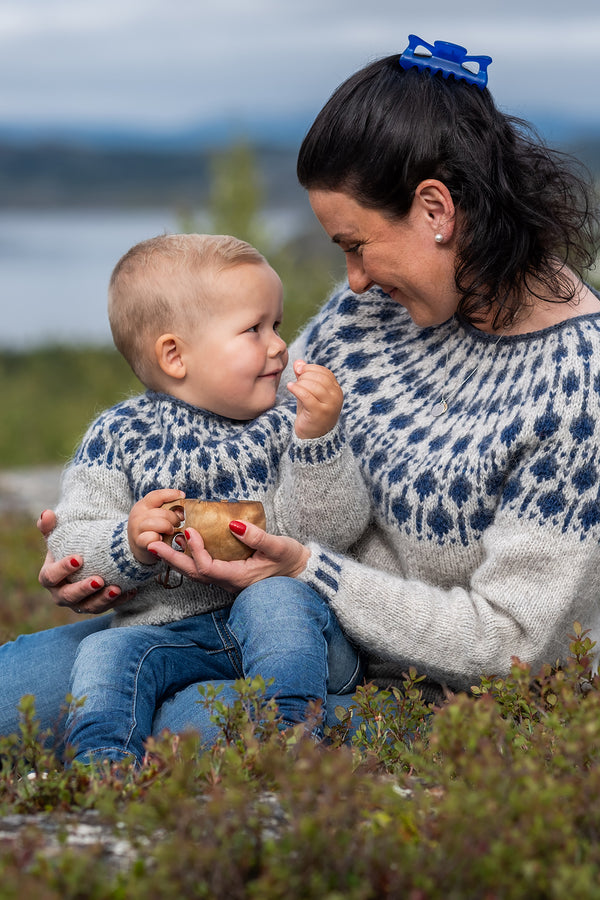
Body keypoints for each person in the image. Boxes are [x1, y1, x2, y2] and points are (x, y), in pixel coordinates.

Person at [8, 33, 600, 746]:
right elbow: (250, 439)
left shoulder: (578, 387)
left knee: (173, 724)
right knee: (18, 691)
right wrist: (114, 552)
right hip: (230, 620)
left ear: (436, 210)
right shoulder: (371, 313)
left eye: (356, 245)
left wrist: (305, 569)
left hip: (406, 686)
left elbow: (511, 642)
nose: (353, 281)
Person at [29, 232, 367, 766]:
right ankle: (102, 769)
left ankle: (290, 741)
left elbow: (332, 531)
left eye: (277, 326)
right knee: (105, 650)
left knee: (273, 600)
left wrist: (317, 442)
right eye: (254, 329)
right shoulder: (119, 435)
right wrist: (128, 542)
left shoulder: (289, 423)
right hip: (176, 637)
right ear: (175, 355)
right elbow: (72, 539)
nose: (280, 346)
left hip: (298, 633)